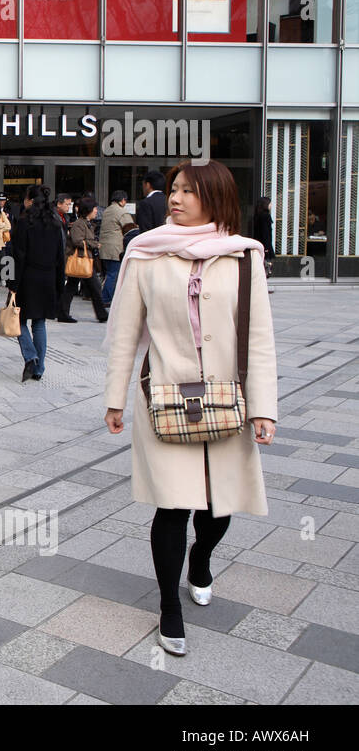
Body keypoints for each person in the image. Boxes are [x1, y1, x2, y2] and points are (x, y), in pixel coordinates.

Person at [103, 160, 277, 658]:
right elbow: (123, 336)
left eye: (185, 191)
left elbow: (260, 337)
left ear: (214, 196)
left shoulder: (244, 256)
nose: (173, 198)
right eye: (172, 190)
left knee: (220, 508)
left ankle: (201, 558)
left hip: (227, 398)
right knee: (173, 505)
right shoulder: (145, 254)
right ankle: (168, 607)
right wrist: (114, 398)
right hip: (163, 398)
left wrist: (264, 407)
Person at [9, 185, 64, 382]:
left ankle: (30, 356)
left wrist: (12, 282)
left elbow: (17, 255)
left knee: (19, 320)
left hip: (27, 277)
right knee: (39, 323)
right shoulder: (56, 224)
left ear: (30, 200)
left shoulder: (24, 222)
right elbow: (60, 257)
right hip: (48, 277)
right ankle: (39, 368)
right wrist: (59, 284)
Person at [59, 197, 110, 323]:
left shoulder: (87, 223)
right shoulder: (79, 224)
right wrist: (93, 244)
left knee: (73, 286)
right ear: (88, 210)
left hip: (85, 260)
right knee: (93, 286)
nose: (96, 211)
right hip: (80, 260)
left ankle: (63, 312)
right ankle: (101, 314)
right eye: (94, 209)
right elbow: (77, 240)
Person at [99, 190, 133, 306]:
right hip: (115, 248)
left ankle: (106, 296)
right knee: (114, 274)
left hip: (104, 247)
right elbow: (130, 229)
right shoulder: (121, 212)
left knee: (109, 273)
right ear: (123, 200)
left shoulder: (107, 210)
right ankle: (106, 298)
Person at [252, 197, 275, 293]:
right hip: (264, 245)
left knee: (261, 267)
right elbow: (266, 233)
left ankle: (260, 287)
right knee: (265, 267)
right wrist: (267, 248)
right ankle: (262, 288)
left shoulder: (257, 216)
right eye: (270, 203)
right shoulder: (265, 216)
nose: (271, 205)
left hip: (259, 244)